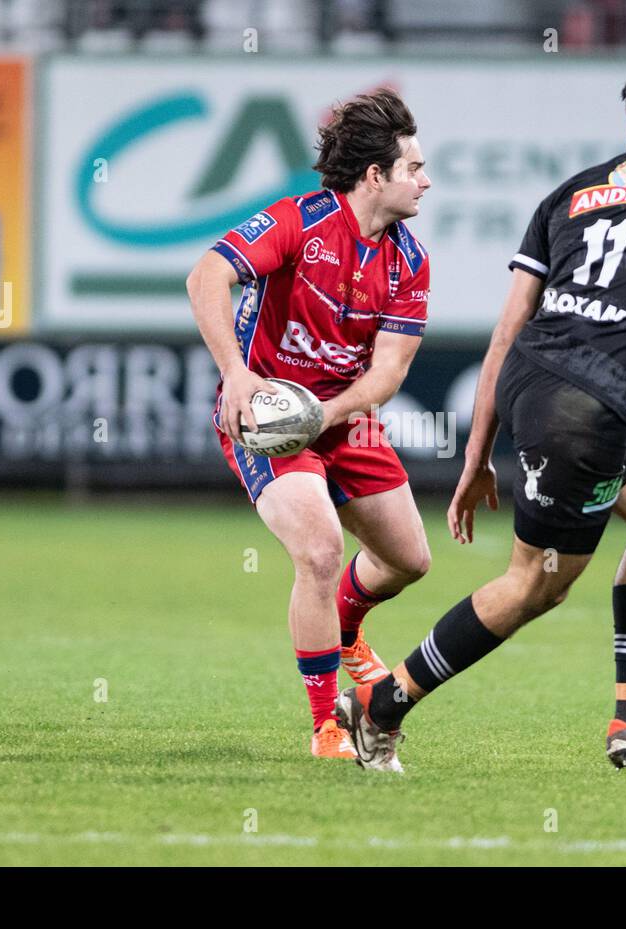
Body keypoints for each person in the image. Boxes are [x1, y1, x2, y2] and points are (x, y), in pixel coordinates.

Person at [336, 56, 626, 774]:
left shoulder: (569, 193)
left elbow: (506, 334)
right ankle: (384, 703)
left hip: (536, 382)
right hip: (588, 403)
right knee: (536, 582)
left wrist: (477, 454)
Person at [187, 89, 433, 759]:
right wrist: (238, 375)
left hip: (340, 420)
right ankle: (328, 725)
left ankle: (347, 630)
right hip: (265, 419)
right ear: (375, 175)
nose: (425, 180)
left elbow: (387, 375)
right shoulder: (300, 221)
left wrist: (322, 415)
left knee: (410, 560)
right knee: (321, 551)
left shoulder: (409, 261)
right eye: (414, 167)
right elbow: (207, 274)